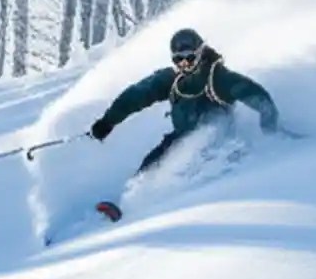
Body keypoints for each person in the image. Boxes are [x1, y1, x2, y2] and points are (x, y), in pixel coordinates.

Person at [89, 28, 280, 174]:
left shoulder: (219, 78)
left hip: (219, 148)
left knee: (181, 162)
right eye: (178, 59)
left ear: (200, 53)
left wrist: (271, 131)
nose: (184, 64)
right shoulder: (173, 80)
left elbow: (259, 97)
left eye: (189, 58)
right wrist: (108, 122)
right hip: (179, 141)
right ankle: (132, 207)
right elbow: (136, 95)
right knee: (150, 167)